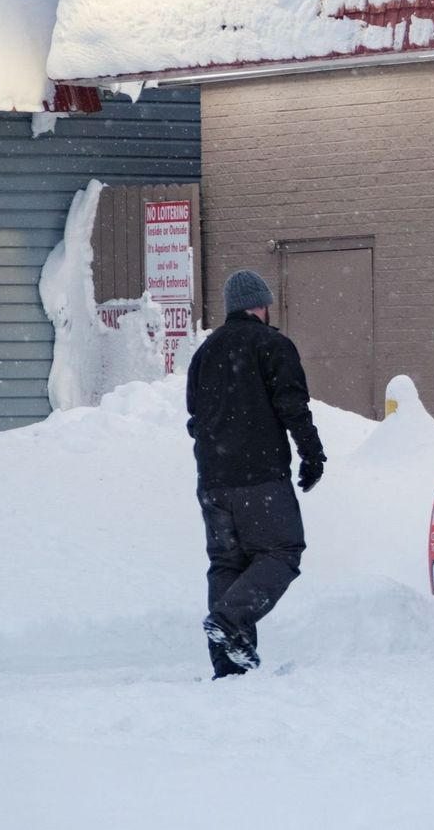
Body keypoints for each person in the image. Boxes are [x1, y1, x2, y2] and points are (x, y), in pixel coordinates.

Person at [185, 269, 325, 679]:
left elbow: (195, 416)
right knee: (282, 552)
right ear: (260, 305)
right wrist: (311, 454)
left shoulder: (204, 353)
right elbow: (293, 406)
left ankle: (228, 663)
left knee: (227, 563)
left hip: (212, 480)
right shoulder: (272, 345)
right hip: (259, 476)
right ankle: (230, 622)